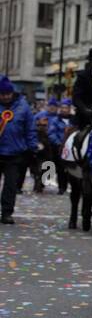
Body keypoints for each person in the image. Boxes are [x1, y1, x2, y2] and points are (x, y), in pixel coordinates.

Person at [0, 77, 39, 224]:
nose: (5, 96)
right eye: (2, 94)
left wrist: (32, 147)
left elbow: (30, 128)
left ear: (12, 93)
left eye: (8, 93)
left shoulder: (23, 106)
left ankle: (6, 213)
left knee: (11, 185)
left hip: (15, 153)